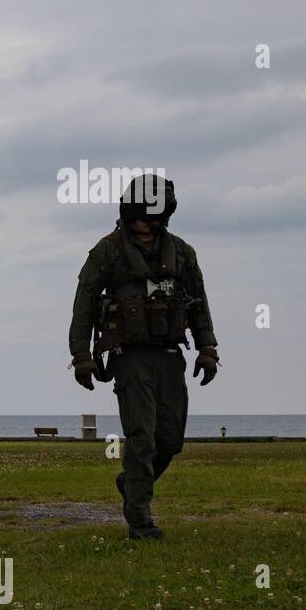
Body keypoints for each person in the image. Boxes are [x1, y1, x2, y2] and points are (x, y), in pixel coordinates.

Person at [69, 174, 219, 539]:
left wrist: (208, 348)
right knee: (142, 437)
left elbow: (198, 304)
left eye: (154, 217)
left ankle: (131, 481)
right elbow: (84, 306)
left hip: (170, 355)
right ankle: (140, 519)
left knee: (169, 441)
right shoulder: (107, 251)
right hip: (129, 356)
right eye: (142, 216)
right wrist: (82, 356)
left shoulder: (182, 252)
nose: (147, 225)